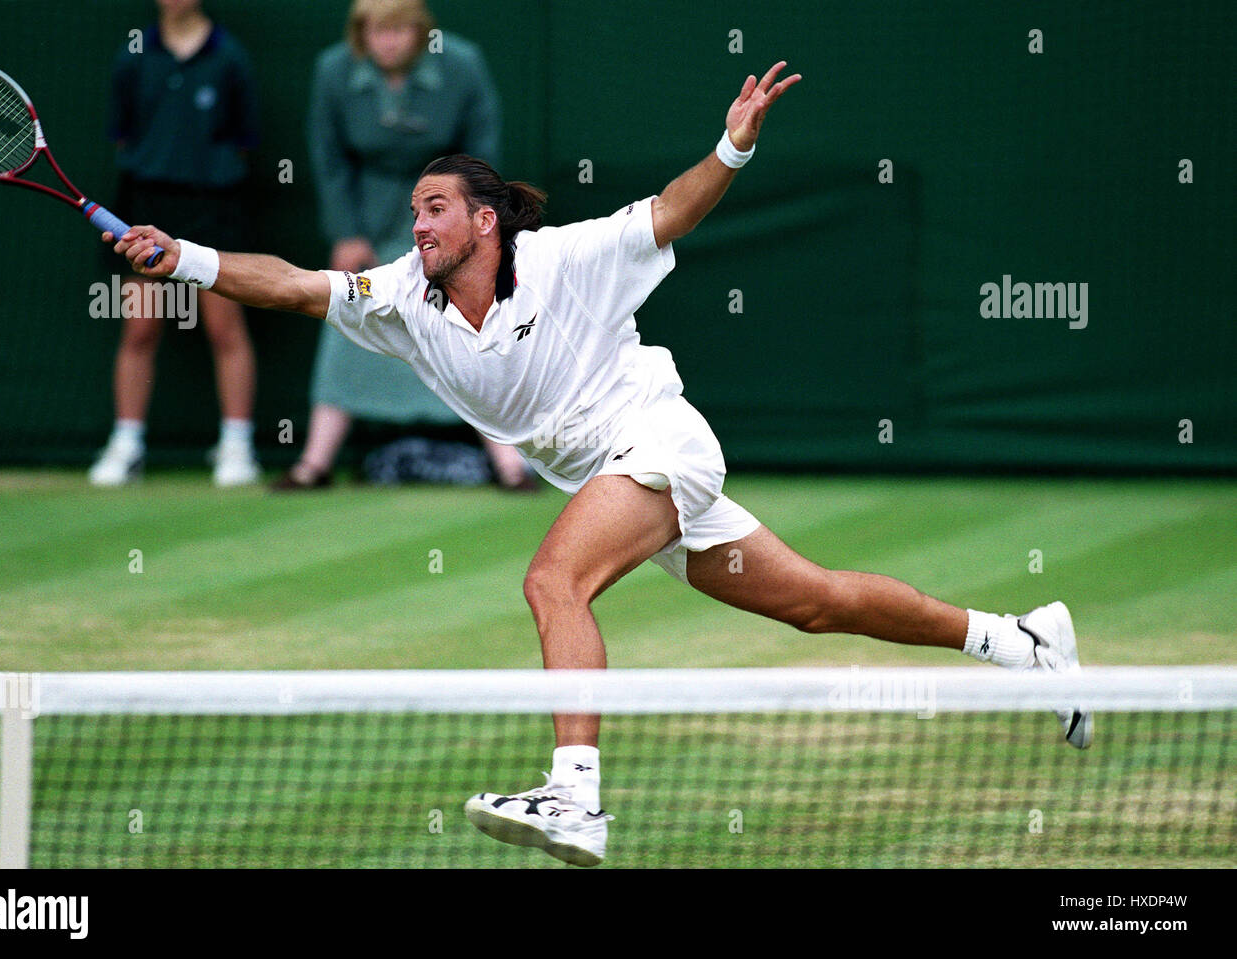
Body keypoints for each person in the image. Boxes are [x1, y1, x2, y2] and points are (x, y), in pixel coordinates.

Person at [108, 61, 1091, 867]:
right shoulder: (402, 296)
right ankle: (1021, 641)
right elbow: (292, 284)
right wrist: (185, 257)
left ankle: (575, 797)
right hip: (613, 479)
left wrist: (732, 144)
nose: (419, 225)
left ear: (485, 220)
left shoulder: (569, 257)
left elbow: (672, 211)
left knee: (553, 579)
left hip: (658, 443)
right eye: (413, 210)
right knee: (817, 601)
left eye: (436, 208)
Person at [274, 0, 531, 491]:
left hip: (448, 219)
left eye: (398, 30)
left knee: (471, 331)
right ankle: (314, 465)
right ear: (361, 32)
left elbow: (481, 156)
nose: (387, 41)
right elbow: (329, 160)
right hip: (368, 227)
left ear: (420, 31)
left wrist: (464, 230)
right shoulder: (333, 70)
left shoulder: (463, 64)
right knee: (347, 322)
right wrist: (347, 233)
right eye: (377, 30)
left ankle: (510, 467)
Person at [90, 0, 262, 487]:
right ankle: (127, 445)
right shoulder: (133, 54)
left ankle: (236, 446)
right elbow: (123, 138)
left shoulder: (230, 57)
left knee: (224, 329)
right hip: (146, 205)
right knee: (140, 330)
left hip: (214, 206)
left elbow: (244, 141)